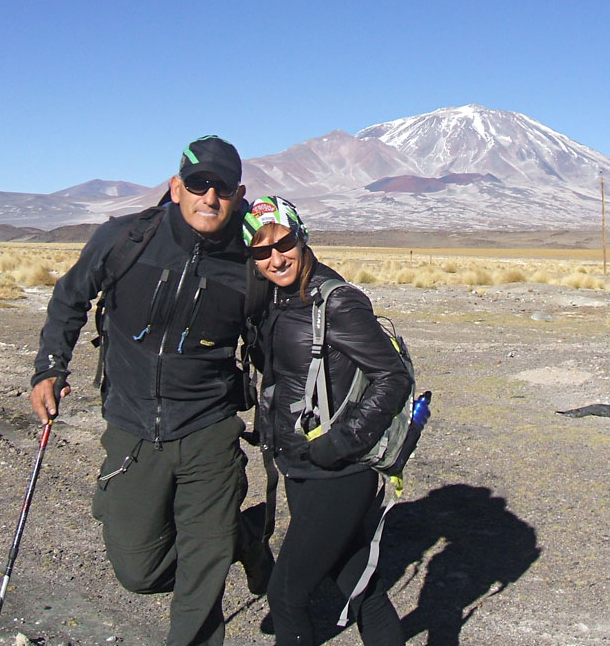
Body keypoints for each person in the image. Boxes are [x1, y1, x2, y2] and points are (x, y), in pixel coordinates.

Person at [29, 136, 271, 646]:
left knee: (200, 581)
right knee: (137, 571)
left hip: (209, 431)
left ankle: (218, 543)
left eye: (222, 187)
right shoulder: (127, 239)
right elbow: (70, 297)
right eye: (199, 184)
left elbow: (294, 319)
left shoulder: (252, 262)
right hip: (132, 428)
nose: (210, 197)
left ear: (239, 193)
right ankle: (241, 536)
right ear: (176, 187)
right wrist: (50, 367)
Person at [243, 195, 408, 646]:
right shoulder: (275, 300)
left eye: (284, 243)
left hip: (338, 472)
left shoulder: (337, 302)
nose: (276, 258)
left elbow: (392, 377)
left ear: (302, 237)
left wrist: (342, 442)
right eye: (261, 251)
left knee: (287, 594)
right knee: (359, 586)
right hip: (299, 467)